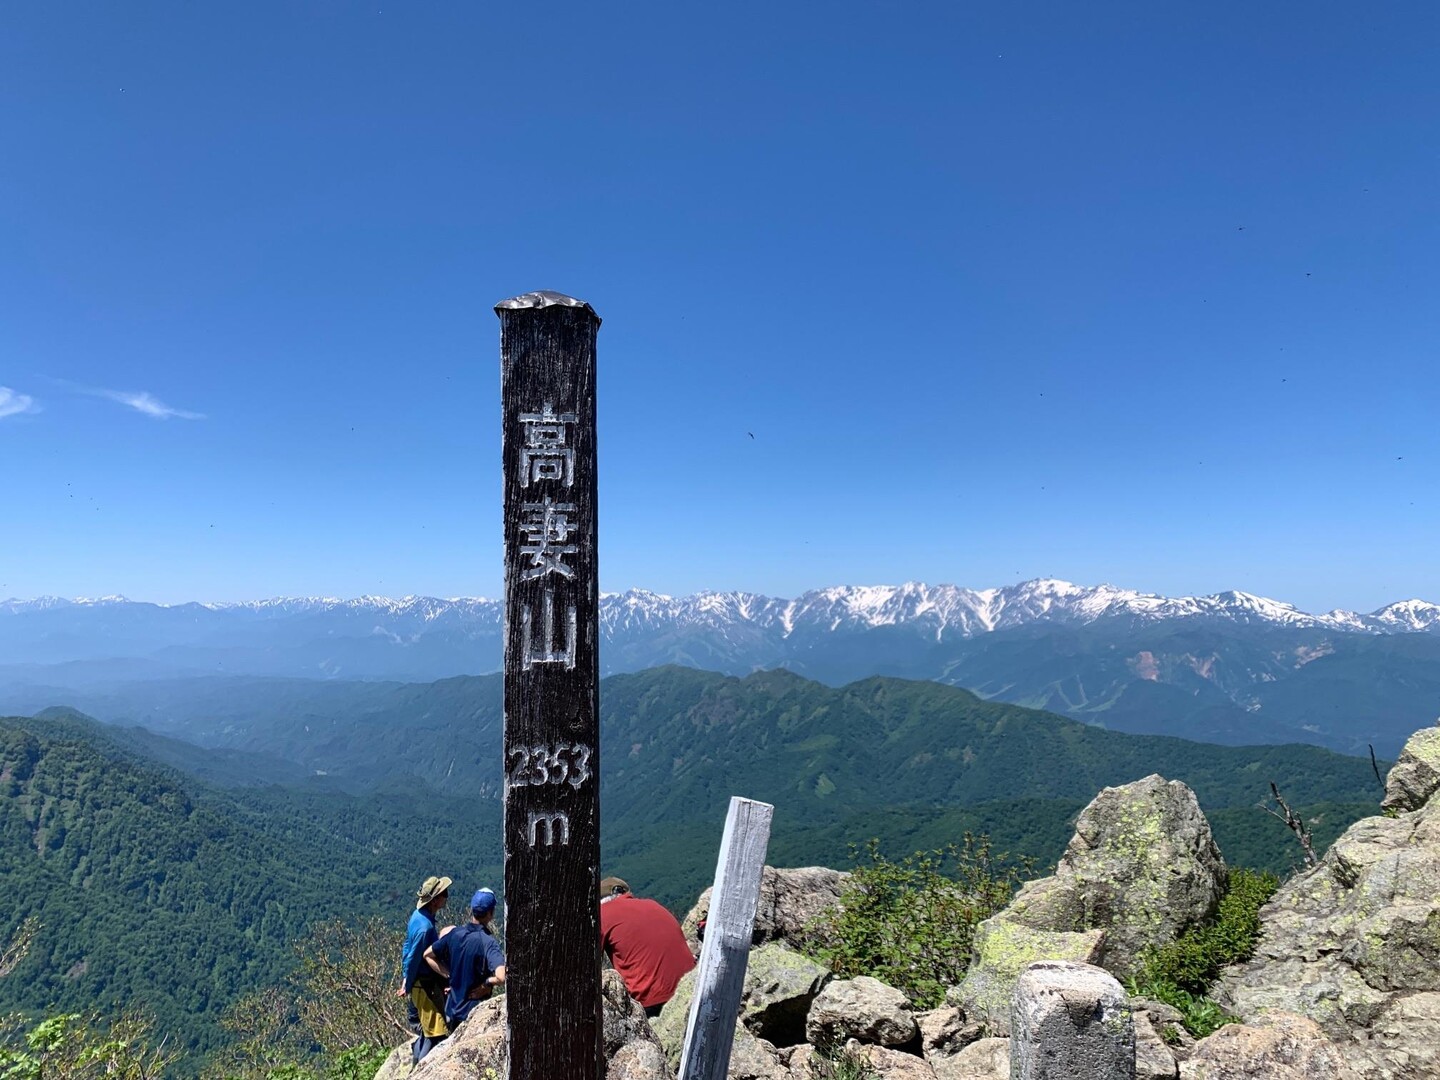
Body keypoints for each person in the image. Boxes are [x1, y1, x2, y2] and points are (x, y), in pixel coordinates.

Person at [598, 876, 696, 1018]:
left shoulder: (603, 914)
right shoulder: (653, 904)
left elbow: (586, 968)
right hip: (688, 990)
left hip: (648, 1002)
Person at [424, 888, 507, 1030]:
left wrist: (450, 975)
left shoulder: (455, 934)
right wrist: (487, 983)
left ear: (472, 910)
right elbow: (501, 977)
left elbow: (427, 955)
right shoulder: (487, 942)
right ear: (491, 913)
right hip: (473, 1014)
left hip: (451, 1011)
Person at [399, 875, 451, 1063]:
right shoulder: (425, 928)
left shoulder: (417, 916)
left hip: (420, 982)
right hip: (425, 984)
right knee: (435, 1032)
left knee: (428, 1027)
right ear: (435, 900)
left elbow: (407, 946)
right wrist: (409, 982)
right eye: (444, 893)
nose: (447, 896)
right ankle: (421, 1067)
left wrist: (406, 976)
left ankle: (417, 1060)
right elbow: (414, 956)